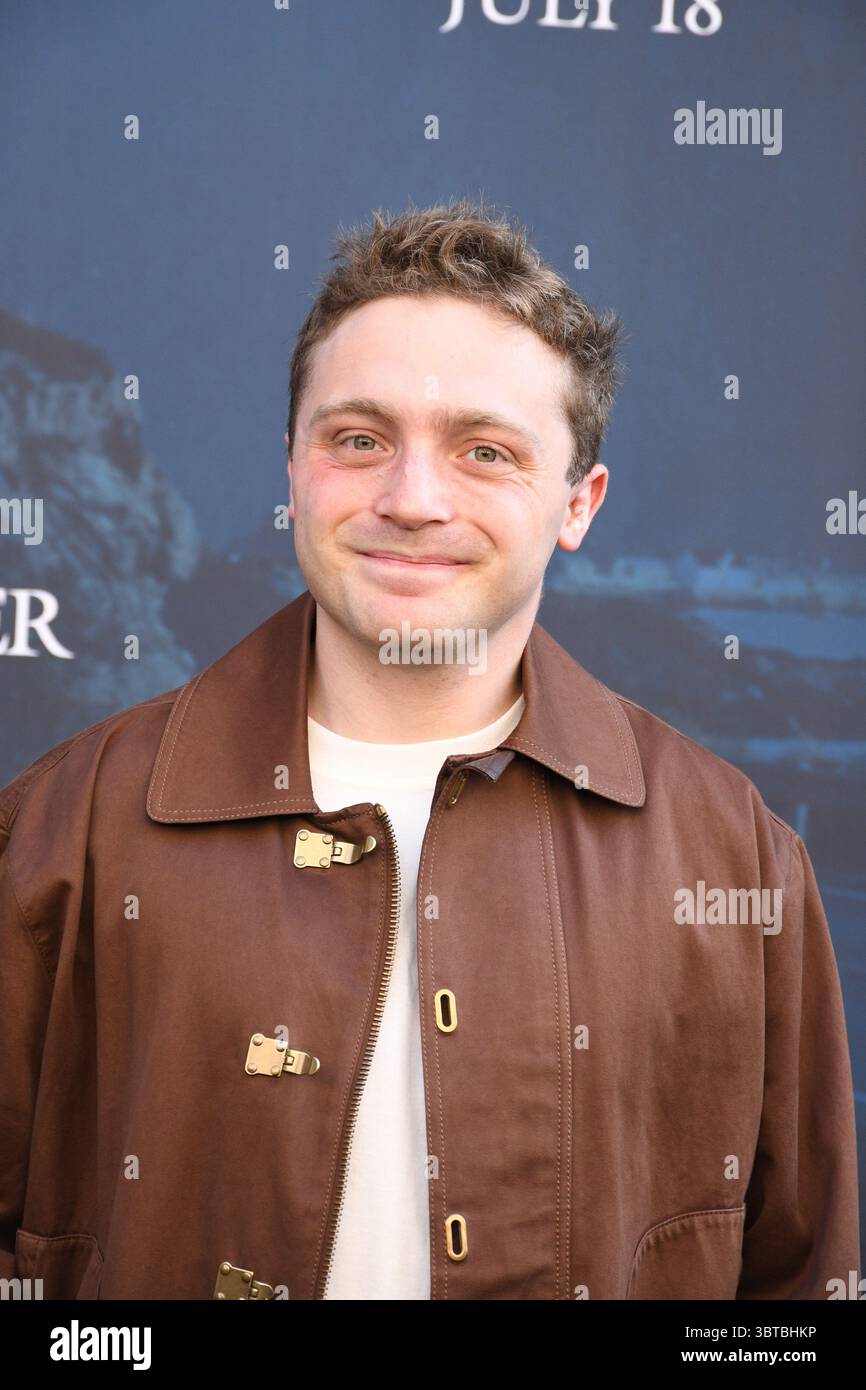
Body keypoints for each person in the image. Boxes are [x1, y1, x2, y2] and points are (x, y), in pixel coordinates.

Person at [0, 199, 859, 1301]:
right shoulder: (60, 828)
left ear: (578, 503)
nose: (411, 500)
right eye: (359, 439)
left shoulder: (736, 859)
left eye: (484, 452)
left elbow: (797, 1295)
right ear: (292, 468)